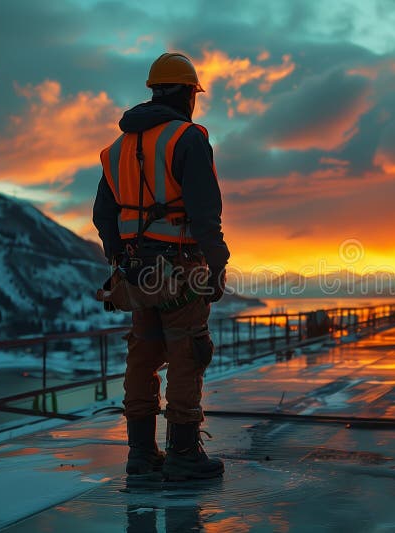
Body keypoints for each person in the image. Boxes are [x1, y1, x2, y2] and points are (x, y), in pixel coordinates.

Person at [92, 52, 229, 481]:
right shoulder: (187, 138)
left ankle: (140, 456)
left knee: (143, 355)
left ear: (154, 91)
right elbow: (205, 212)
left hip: (138, 274)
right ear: (188, 93)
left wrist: (121, 257)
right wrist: (218, 262)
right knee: (188, 352)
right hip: (180, 270)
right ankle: (185, 455)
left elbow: (103, 214)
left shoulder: (117, 148)